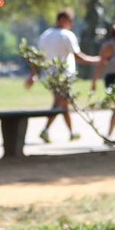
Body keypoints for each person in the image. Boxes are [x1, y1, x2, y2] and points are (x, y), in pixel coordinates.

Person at [26, 9, 98, 142]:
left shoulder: (45, 35)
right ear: (62, 20)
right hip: (64, 75)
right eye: (70, 21)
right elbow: (78, 56)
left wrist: (33, 74)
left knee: (63, 104)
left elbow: (37, 57)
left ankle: (71, 132)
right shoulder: (67, 35)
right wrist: (97, 60)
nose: (72, 24)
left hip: (50, 75)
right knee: (59, 103)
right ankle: (46, 129)